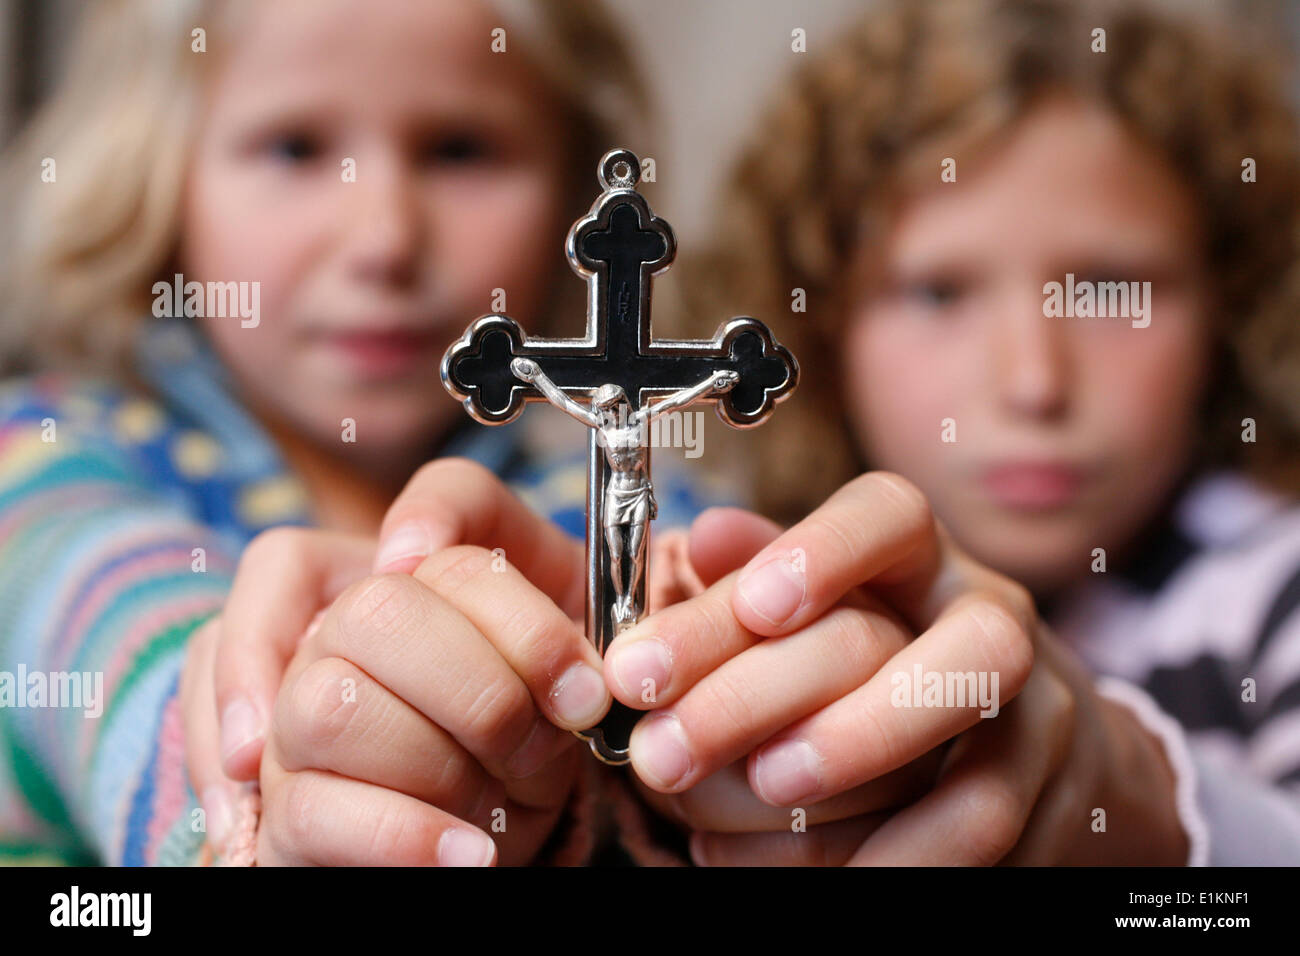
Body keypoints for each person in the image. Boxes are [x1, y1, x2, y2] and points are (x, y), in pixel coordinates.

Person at [0, 0, 729, 866]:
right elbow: (101, 618)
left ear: (572, 188)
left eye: (460, 149)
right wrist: (260, 784)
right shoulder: (44, 455)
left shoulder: (649, 522)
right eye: (296, 147)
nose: (385, 237)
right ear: (156, 173)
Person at [616, 0, 1300, 864]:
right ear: (822, 330)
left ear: (1232, 306)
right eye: (937, 293)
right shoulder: (745, 577)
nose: (1034, 383)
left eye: (1109, 290)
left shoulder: (1276, 597)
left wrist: (1137, 801)